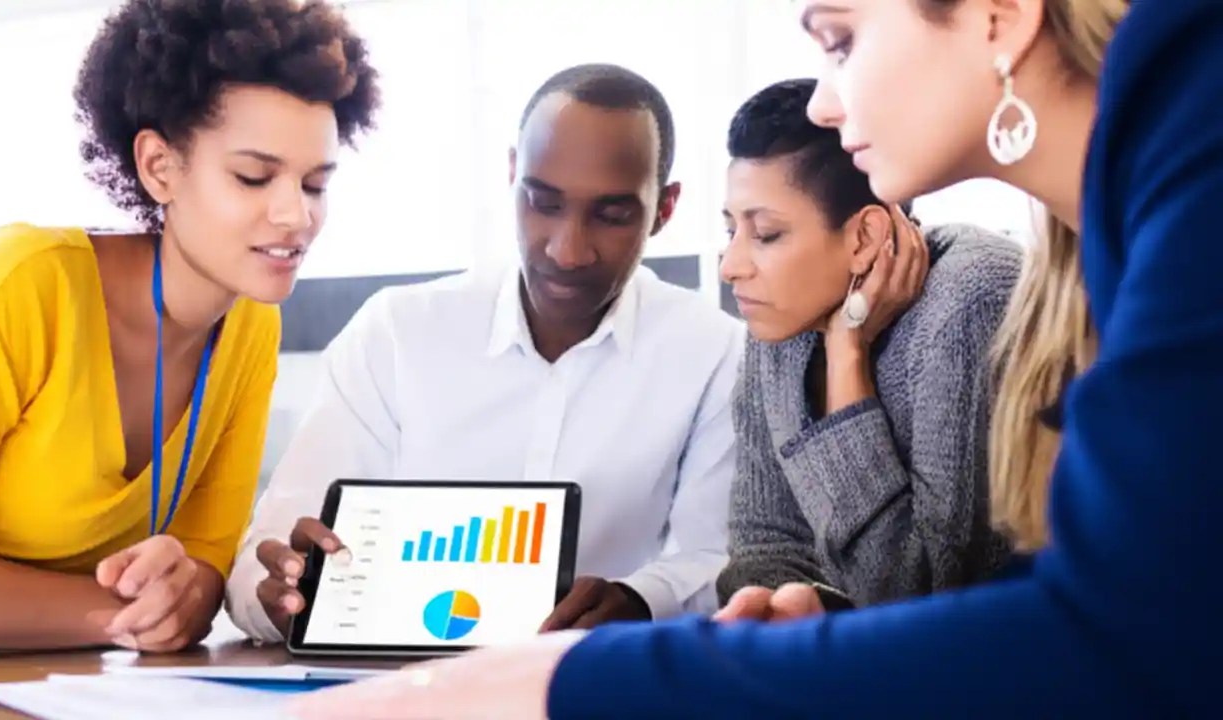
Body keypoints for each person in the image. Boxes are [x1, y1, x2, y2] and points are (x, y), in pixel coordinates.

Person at [289, 0, 1223, 717]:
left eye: (841, 37)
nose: (823, 96)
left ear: (1001, 15)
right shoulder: (1106, 232)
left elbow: (1127, 644)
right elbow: (1079, 601)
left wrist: (565, 684)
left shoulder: (1195, 106)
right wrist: (826, 629)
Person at [225, 63, 745, 643]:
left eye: (612, 215)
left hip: (592, 680)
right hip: (405, 688)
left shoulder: (714, 353)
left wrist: (639, 600)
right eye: (543, 202)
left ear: (664, 209)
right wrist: (274, 597)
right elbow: (262, 562)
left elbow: (716, 560)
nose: (567, 250)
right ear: (512, 175)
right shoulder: (396, 333)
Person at [0, 0, 377, 654]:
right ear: (158, 167)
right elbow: (145, 613)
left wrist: (186, 595)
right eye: (254, 177)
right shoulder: (18, 287)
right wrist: (113, 616)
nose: (296, 216)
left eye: (315, 184)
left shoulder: (249, 320)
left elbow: (204, 566)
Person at [714, 78, 1019, 619]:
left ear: (863, 239)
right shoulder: (779, 315)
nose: (730, 266)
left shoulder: (973, 301)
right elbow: (762, 545)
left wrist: (847, 355)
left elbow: (932, 595)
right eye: (731, 229)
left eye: (764, 235)